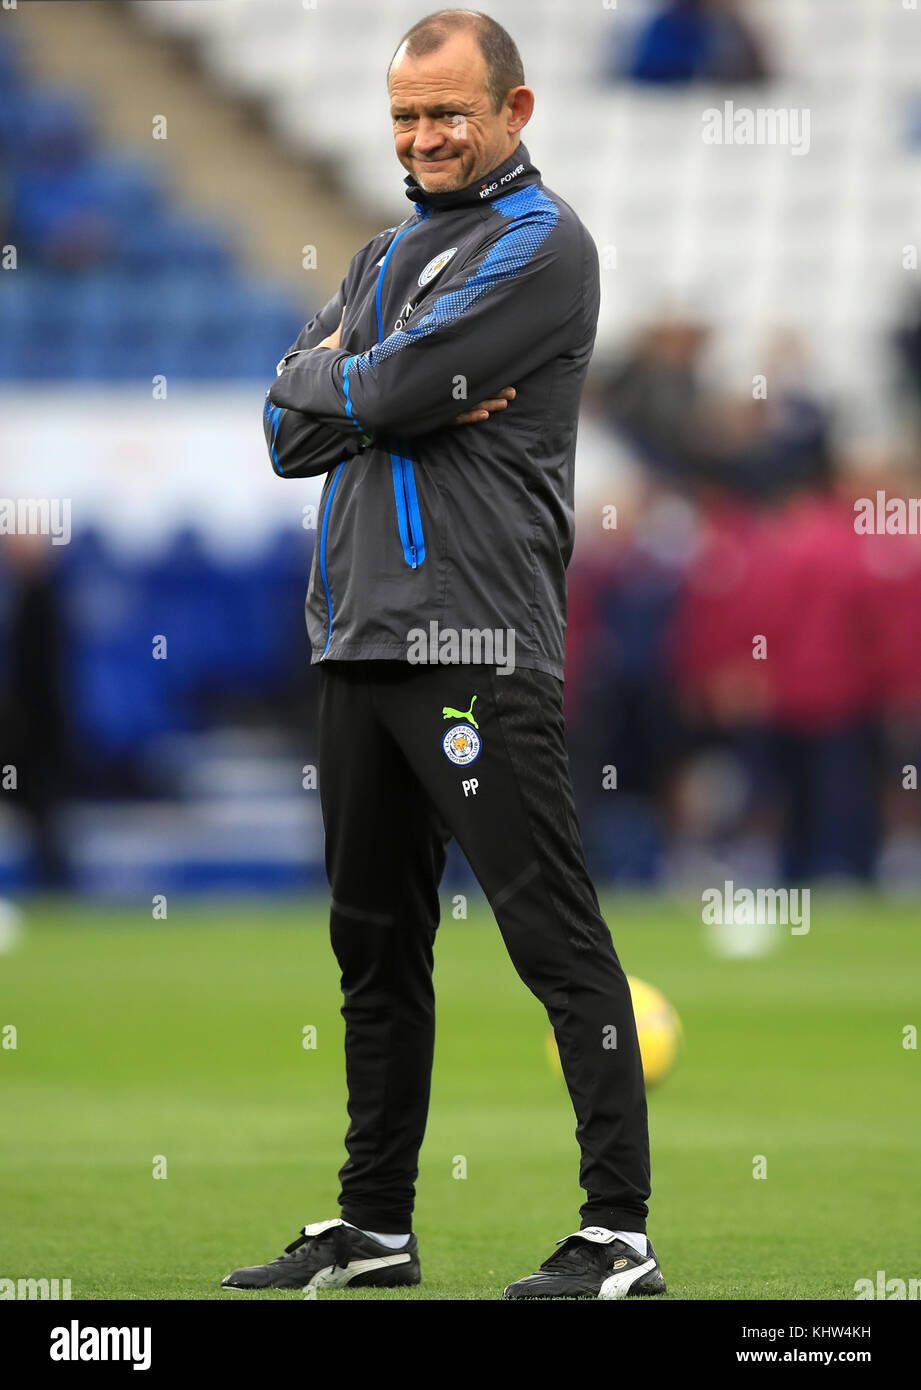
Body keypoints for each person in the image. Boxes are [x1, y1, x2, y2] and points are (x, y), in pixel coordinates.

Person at [223, 8, 665, 1301]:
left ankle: (617, 1233)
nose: (423, 139)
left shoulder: (544, 246)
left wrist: (359, 382)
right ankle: (374, 1225)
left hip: (475, 643)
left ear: (514, 114)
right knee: (371, 944)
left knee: (550, 933)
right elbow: (283, 426)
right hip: (356, 639)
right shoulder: (377, 256)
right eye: (406, 118)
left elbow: (366, 396)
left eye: (447, 115)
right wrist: (375, 381)